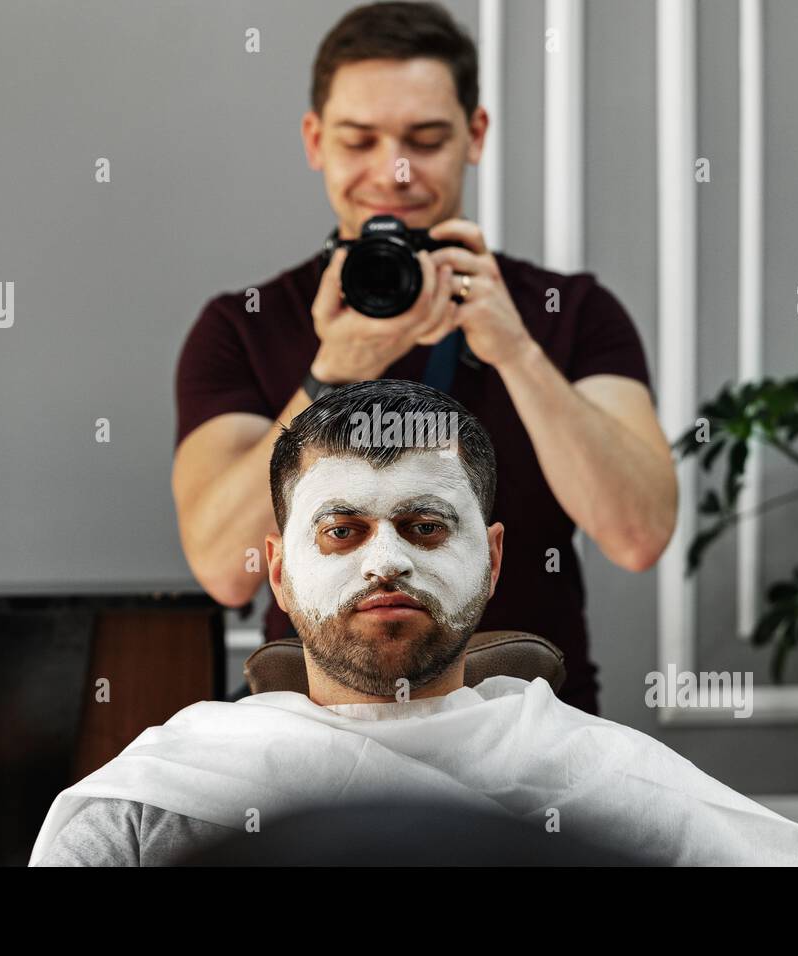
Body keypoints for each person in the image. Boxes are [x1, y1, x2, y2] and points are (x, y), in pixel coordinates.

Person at [31, 381, 798, 866]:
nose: (385, 563)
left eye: (426, 526)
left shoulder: (627, 794)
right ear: (279, 573)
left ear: (493, 560)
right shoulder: (147, 805)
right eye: (342, 531)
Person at [172, 1, 676, 716]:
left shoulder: (571, 313)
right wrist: (329, 373)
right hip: (317, 729)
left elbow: (639, 534)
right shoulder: (242, 326)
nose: (394, 170)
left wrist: (518, 353)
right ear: (315, 141)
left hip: (525, 727)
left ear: (475, 135)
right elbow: (225, 570)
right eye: (359, 141)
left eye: (426, 138)